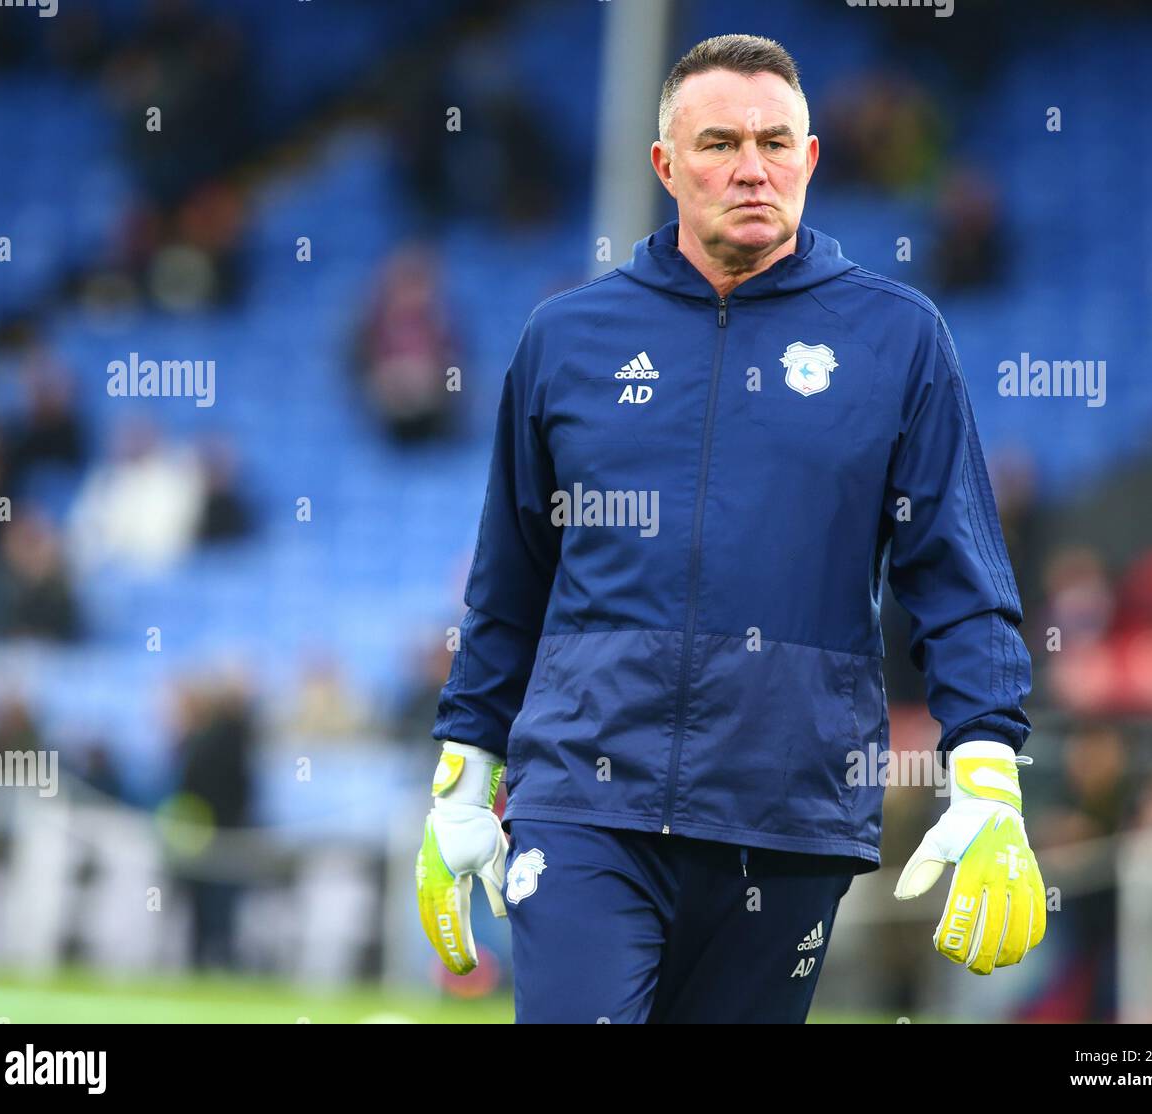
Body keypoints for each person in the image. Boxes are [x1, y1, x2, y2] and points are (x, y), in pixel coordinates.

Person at [416, 34, 1044, 1023]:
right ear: (665, 165)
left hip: (788, 810)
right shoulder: (565, 339)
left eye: (774, 140)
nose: (752, 167)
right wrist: (463, 774)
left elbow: (957, 579)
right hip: (586, 800)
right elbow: (508, 581)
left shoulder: (898, 339)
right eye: (718, 142)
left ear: (810, 157)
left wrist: (989, 773)